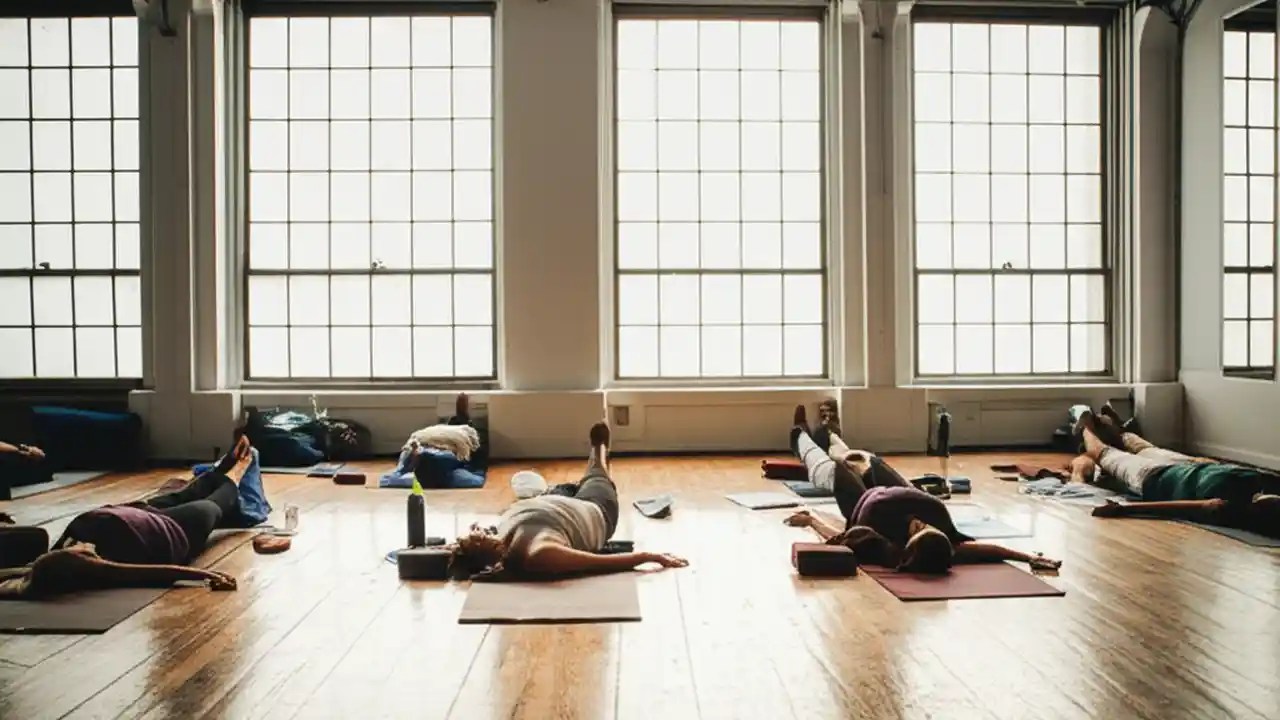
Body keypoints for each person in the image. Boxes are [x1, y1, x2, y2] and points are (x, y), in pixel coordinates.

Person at [784, 405, 1062, 573]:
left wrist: (811, 519)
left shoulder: (882, 545)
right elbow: (987, 551)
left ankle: (800, 436)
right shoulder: (943, 533)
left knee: (829, 467)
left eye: (918, 529)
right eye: (928, 526)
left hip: (862, 502)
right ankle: (830, 432)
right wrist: (1030, 557)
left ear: (909, 542)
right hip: (898, 492)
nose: (921, 522)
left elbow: (839, 538)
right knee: (857, 456)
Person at [0, 437, 259, 599]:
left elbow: (16, 572)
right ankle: (239, 468)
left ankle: (223, 467)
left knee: (191, 490)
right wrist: (204, 575)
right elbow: (149, 574)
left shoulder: (51, 560)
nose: (85, 545)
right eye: (85, 551)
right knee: (216, 502)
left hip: (133, 511)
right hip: (169, 530)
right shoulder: (93, 567)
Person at [447, 421, 688, 580]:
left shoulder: (497, 540)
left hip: (550, 501)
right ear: (492, 563)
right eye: (480, 539)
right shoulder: (539, 553)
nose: (480, 532)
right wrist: (650, 556)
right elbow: (599, 563)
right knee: (596, 476)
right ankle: (599, 452)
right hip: (593, 509)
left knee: (552, 489)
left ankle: (560, 487)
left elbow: (455, 553)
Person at [1072, 405, 1280, 536]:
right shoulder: (1268, 484)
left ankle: (1086, 425)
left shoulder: (1235, 511)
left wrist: (1124, 509)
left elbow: (1187, 507)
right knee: (1145, 448)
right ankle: (1121, 431)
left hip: (1156, 477)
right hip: (1194, 466)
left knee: (1103, 453)